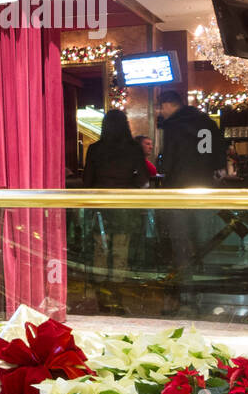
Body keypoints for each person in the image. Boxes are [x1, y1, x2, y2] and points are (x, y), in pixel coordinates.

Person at [157, 90, 223, 314]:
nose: (160, 112)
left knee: (181, 242)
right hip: (205, 191)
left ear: (168, 105)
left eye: (161, 107)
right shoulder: (207, 122)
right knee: (204, 241)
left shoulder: (174, 125)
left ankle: (187, 291)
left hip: (179, 192)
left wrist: (163, 171)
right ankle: (206, 288)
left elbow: (167, 164)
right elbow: (218, 159)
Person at [82, 109, 148, 312]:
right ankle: (117, 296)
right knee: (121, 252)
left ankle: (102, 297)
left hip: (100, 206)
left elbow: (87, 181)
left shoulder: (95, 149)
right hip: (124, 207)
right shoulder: (133, 149)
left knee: (100, 251)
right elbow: (142, 180)